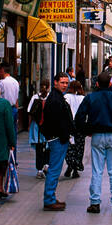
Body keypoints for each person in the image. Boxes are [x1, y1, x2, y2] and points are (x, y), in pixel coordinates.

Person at [75, 69, 112, 213]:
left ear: (96, 83)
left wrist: (87, 131)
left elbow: (79, 118)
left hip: (96, 135)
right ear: (110, 83)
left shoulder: (90, 98)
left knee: (97, 170)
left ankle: (95, 202)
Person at [40, 73, 75, 211]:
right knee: (54, 170)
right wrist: (63, 135)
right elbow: (56, 121)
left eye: (67, 83)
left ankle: (51, 197)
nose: (65, 85)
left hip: (57, 137)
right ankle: (49, 199)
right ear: (55, 82)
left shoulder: (57, 97)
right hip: (57, 138)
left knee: (55, 169)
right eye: (62, 82)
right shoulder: (55, 99)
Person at [63, 73, 87, 178]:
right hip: (80, 125)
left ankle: (70, 165)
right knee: (79, 147)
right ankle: (76, 168)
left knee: (70, 147)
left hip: (69, 125)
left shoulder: (66, 97)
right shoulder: (83, 98)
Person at [26, 85, 47, 179]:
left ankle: (39, 169)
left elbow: (29, 111)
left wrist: (29, 125)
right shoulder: (50, 97)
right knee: (47, 146)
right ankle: (46, 165)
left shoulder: (35, 97)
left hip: (36, 126)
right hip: (47, 126)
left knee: (39, 148)